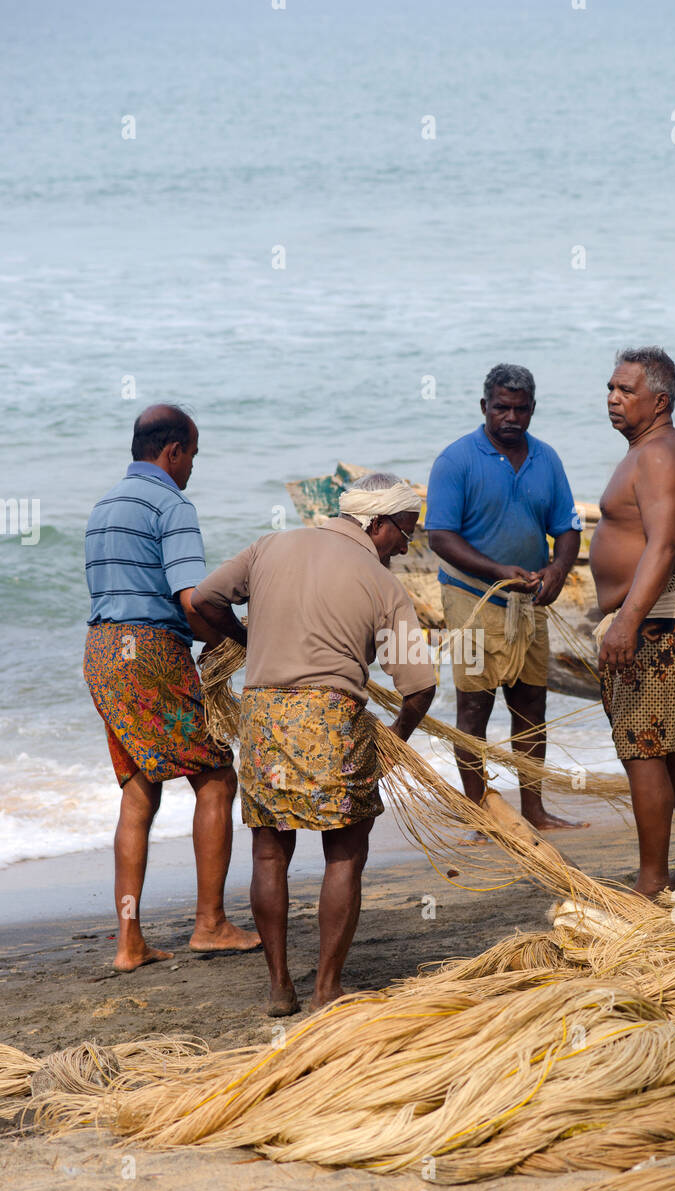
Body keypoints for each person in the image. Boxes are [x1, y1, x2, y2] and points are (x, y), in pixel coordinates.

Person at [192, 473, 436, 1017]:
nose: (406, 545)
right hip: (333, 720)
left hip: (264, 718)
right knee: (345, 851)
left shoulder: (270, 545)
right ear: (378, 524)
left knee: (269, 850)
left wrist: (245, 641)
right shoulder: (383, 585)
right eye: (405, 532)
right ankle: (328, 988)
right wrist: (394, 741)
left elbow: (203, 598)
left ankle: (280, 987)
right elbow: (420, 687)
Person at [83, 404, 260, 970]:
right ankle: (210, 924)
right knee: (215, 777)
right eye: (193, 456)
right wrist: (240, 637)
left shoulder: (103, 505)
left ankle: (129, 943)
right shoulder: (171, 503)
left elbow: (128, 593)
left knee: (139, 790)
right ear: (173, 451)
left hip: (103, 652)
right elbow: (192, 600)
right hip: (149, 656)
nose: (192, 469)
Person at [425, 363, 586, 831]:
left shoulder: (547, 460)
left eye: (520, 409)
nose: (510, 417)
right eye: (501, 408)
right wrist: (498, 572)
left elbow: (568, 529)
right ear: (484, 408)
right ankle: (483, 816)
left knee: (531, 705)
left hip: (529, 603)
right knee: (474, 707)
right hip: (471, 601)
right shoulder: (456, 460)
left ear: (532, 410)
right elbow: (440, 537)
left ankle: (534, 810)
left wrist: (558, 570)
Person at [590, 347, 675, 897]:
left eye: (626, 391)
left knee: (644, 747)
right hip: (664, 612)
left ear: (659, 401)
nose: (613, 399)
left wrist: (626, 623)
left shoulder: (658, 455)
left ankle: (651, 880)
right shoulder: (660, 450)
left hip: (658, 617)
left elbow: (663, 546)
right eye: (611, 389)